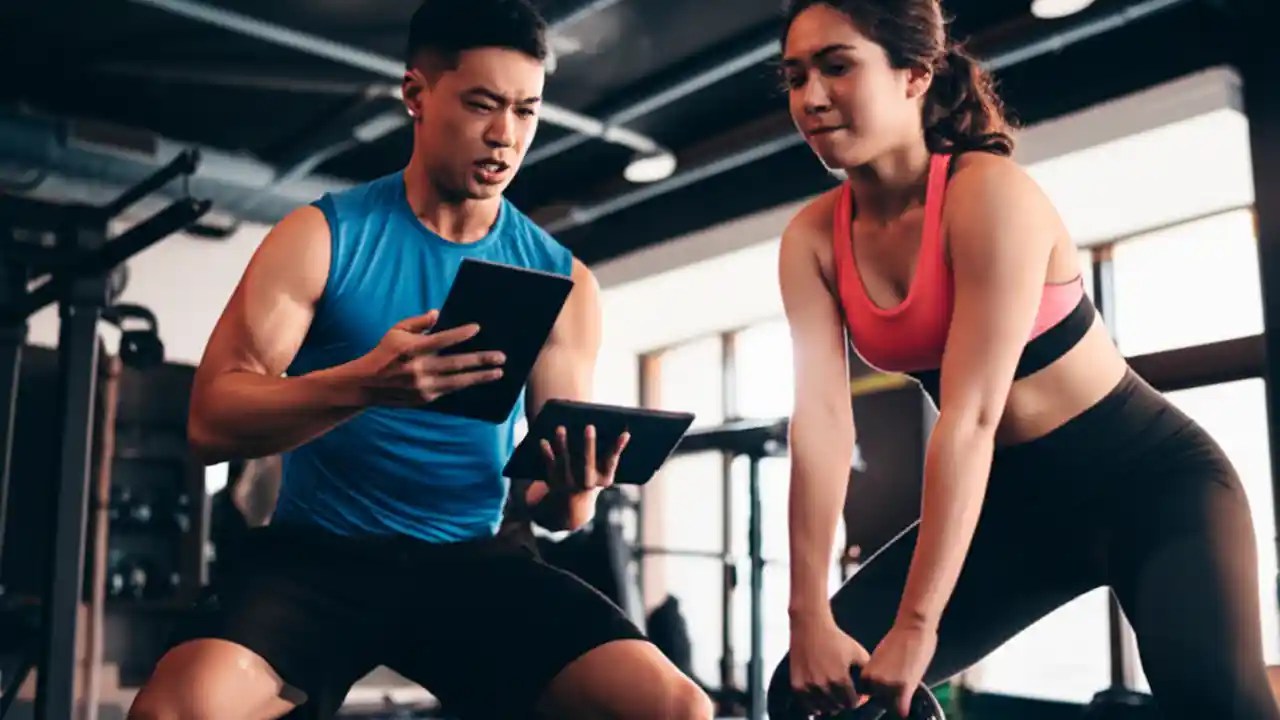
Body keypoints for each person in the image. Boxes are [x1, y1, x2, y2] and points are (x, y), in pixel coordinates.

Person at [126, 1, 713, 719]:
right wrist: (365, 385)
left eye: (526, 111)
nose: (505, 135)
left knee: (675, 708)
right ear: (416, 94)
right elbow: (210, 422)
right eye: (481, 104)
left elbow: (555, 512)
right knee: (174, 712)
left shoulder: (563, 281)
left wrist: (575, 487)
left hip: (470, 562)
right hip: (318, 557)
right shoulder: (322, 237)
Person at [766, 1, 1280, 719]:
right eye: (795, 77)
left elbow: (972, 416)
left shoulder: (986, 194)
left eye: (837, 67)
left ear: (914, 74)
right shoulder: (812, 239)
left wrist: (917, 627)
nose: (811, 97)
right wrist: (807, 617)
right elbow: (822, 425)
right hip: (1018, 506)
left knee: (1217, 707)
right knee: (813, 695)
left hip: (1153, 486)